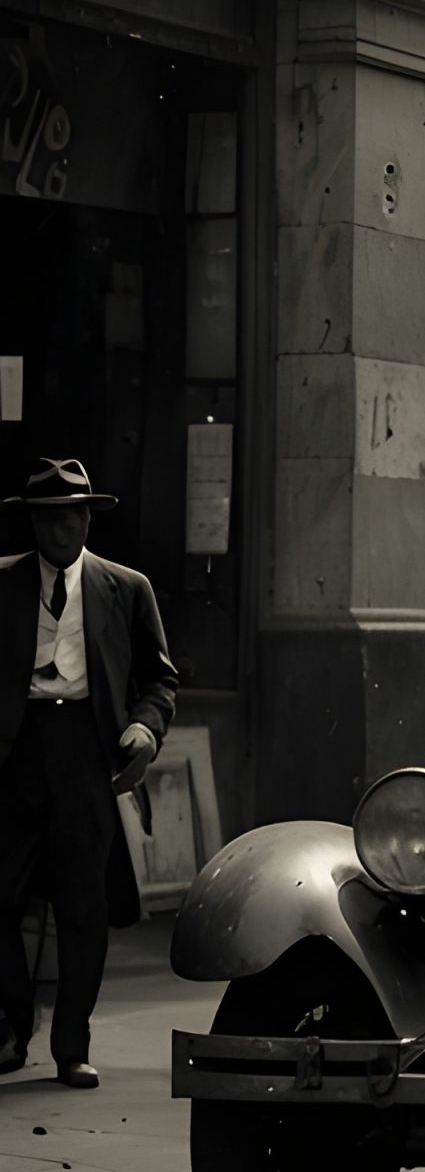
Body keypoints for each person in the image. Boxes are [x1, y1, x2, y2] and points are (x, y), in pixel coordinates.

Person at [0, 458, 178, 1087]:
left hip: (86, 753)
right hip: (14, 756)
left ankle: (71, 1045)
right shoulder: (3, 583)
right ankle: (10, 1032)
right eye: (49, 518)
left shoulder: (126, 588)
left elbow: (160, 680)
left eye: (74, 515)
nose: (62, 529)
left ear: (88, 518)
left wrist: (143, 727)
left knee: (83, 909)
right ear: (33, 524)